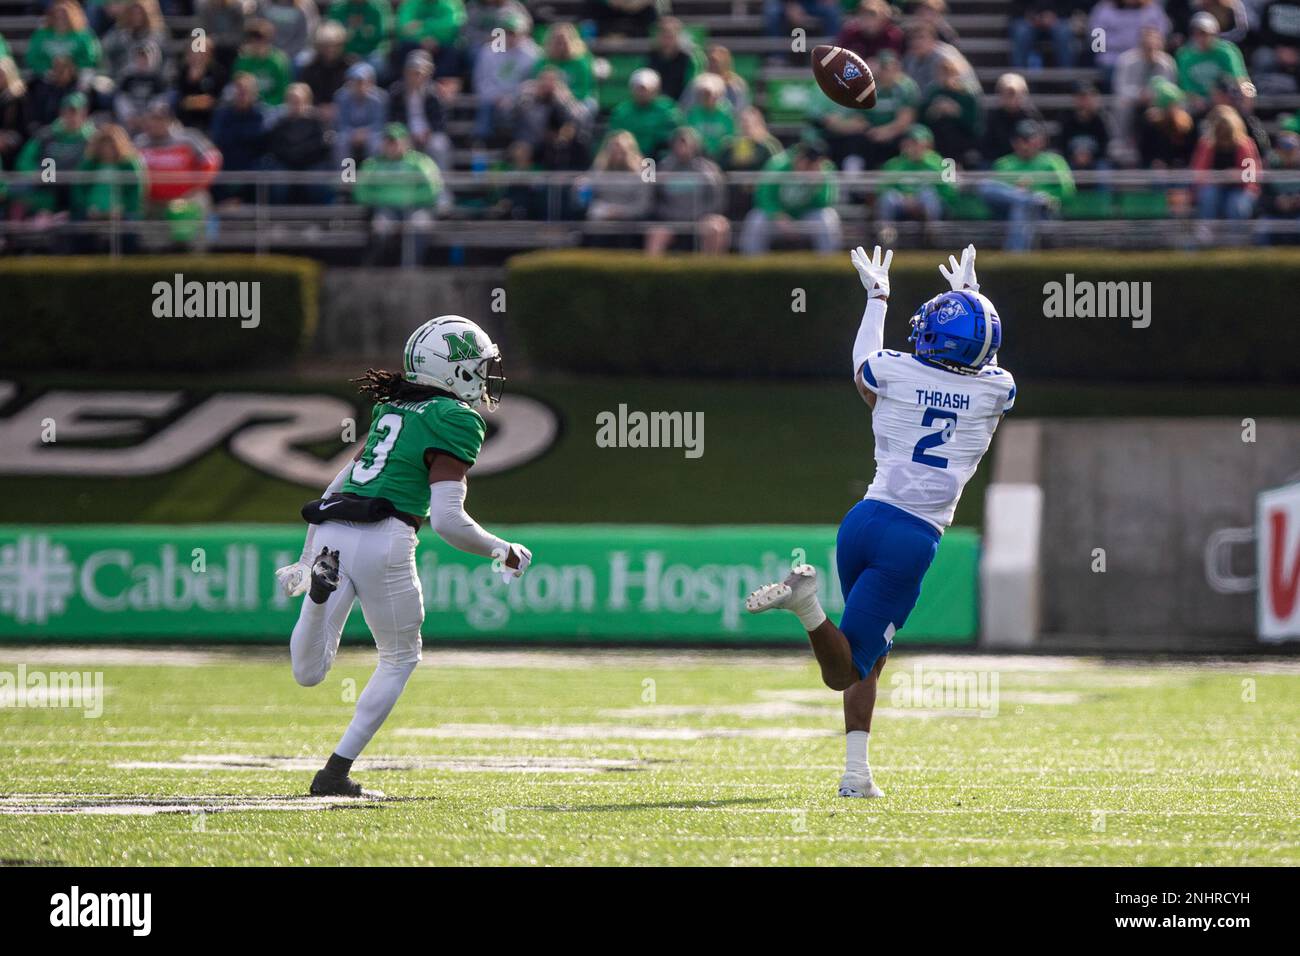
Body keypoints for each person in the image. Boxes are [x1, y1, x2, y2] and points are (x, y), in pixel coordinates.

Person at [746, 244, 1015, 800]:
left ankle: (856, 773)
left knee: (868, 656)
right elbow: (975, 369)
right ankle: (805, 606)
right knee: (842, 669)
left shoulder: (894, 372)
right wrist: (973, 296)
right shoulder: (996, 389)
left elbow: (864, 366)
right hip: (912, 538)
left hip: (864, 521)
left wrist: (878, 297)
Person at [276, 315, 528, 799]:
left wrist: (310, 556)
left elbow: (337, 484)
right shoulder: (455, 418)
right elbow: (449, 522)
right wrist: (503, 549)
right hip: (384, 535)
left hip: (333, 528)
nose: (487, 376)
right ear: (452, 369)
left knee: (308, 673)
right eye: (478, 366)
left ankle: (317, 595)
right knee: (399, 656)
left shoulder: (393, 408)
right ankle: (333, 775)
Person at [980, 119, 1075, 251]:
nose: (1025, 144)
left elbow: (1067, 192)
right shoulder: (1003, 163)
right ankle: (1028, 198)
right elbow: (992, 195)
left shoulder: (1053, 162)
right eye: (1020, 139)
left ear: (1041, 141)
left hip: (1043, 213)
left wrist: (1046, 197)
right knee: (986, 186)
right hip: (1007, 213)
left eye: (1029, 139)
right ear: (1013, 142)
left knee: (1021, 207)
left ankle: (1014, 261)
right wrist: (1022, 194)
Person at [354, 122, 442, 264]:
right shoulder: (372, 164)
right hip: (385, 210)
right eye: (388, 142)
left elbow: (433, 189)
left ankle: (411, 270)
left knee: (420, 225)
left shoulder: (420, 161)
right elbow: (361, 193)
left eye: (395, 141)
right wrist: (390, 199)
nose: (392, 145)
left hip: (415, 208)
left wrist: (409, 199)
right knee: (380, 227)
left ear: (405, 141)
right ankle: (379, 272)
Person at [740, 137, 842, 254]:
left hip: (806, 217)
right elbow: (763, 197)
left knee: (827, 218)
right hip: (778, 217)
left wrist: (817, 185)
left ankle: (829, 266)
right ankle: (751, 267)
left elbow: (826, 203)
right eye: (807, 160)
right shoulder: (778, 166)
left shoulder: (824, 169)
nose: (809, 165)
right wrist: (778, 215)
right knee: (756, 219)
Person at [645, 126, 730, 255]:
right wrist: (670, 214)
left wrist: (701, 214)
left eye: (686, 143)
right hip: (671, 220)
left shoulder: (709, 169)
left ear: (695, 145)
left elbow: (718, 199)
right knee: (656, 233)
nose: (682, 147)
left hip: (701, 218)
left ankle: (712, 271)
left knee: (717, 227)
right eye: (679, 143)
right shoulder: (663, 167)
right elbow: (654, 198)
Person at [1191, 103, 1262, 238]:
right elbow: (1198, 173)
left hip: (1240, 188)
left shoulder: (1245, 144)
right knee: (1209, 196)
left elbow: (1252, 177)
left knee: (1236, 205)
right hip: (1214, 187)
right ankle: (1206, 238)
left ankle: (1235, 241)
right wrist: (1215, 177)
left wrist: (1237, 175)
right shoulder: (1206, 144)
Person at [469, 10, 538, 142]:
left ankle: (521, 142)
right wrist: (497, 97)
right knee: (485, 106)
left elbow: (532, 83)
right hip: (493, 98)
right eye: (507, 32)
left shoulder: (533, 54)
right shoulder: (488, 51)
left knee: (527, 106)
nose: (511, 37)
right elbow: (481, 82)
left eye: (515, 33)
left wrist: (513, 97)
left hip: (520, 98)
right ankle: (482, 142)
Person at [876, 124, 952, 239]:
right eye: (910, 143)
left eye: (917, 143)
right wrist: (907, 198)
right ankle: (887, 237)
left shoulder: (940, 162)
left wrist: (926, 162)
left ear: (928, 144)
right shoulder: (894, 164)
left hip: (928, 202)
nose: (913, 147)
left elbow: (950, 191)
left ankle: (932, 235)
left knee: (929, 194)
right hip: (901, 201)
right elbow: (881, 188)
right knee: (888, 198)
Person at [576, 129, 650, 244]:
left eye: (621, 150)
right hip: (601, 218)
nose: (617, 154)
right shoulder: (598, 169)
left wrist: (620, 212)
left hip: (630, 219)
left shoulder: (643, 172)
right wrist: (580, 186)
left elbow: (644, 205)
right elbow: (586, 194)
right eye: (613, 150)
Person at [266, 82, 334, 203]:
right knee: (278, 178)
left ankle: (318, 216)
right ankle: (278, 217)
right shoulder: (280, 123)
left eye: (298, 101)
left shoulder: (317, 122)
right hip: (285, 163)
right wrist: (292, 154)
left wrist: (301, 152)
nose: (295, 105)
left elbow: (321, 146)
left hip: (312, 163)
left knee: (318, 179)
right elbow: (276, 147)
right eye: (291, 101)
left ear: (307, 102)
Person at [388, 49, 452, 173]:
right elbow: (393, 119)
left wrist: (428, 132)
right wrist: (404, 134)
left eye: (420, 73)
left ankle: (440, 186)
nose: (416, 77)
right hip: (404, 133)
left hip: (430, 134)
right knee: (395, 145)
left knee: (439, 145)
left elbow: (441, 120)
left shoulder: (435, 93)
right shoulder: (396, 92)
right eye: (413, 72)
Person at [209, 71, 270, 203]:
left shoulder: (261, 115)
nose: (242, 94)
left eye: (246, 91)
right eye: (239, 90)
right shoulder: (222, 114)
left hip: (252, 165)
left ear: (254, 93)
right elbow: (220, 140)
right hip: (227, 162)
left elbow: (263, 144)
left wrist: (239, 136)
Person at [1176, 11, 1251, 111]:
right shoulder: (1184, 56)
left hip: (1224, 98)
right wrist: (1196, 99)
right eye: (1196, 33)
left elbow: (1238, 79)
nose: (1201, 37)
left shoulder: (1226, 52)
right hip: (1197, 101)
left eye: (1205, 33)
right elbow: (1185, 86)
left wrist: (1245, 97)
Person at [606, 68, 682, 159]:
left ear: (655, 90)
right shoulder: (622, 111)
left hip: (659, 158)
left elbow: (675, 135)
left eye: (645, 89)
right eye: (638, 89)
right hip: (628, 157)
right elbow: (615, 136)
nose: (642, 93)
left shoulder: (667, 108)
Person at [334, 60, 388, 165]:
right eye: (356, 81)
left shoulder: (381, 97)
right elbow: (340, 123)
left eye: (363, 81)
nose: (360, 85)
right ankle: (347, 178)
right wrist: (353, 133)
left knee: (375, 142)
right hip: (349, 133)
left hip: (372, 133)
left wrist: (365, 133)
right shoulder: (340, 97)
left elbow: (380, 123)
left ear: (371, 81)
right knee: (341, 142)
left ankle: (370, 177)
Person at [25, 0, 101, 75]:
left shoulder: (83, 36)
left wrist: (72, 65)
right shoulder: (41, 35)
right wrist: (50, 66)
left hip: (78, 76)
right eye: (57, 16)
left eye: (65, 16)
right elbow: (32, 58)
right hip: (46, 76)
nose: (60, 19)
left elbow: (91, 58)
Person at [299, 21, 356, 118]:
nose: (331, 49)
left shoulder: (350, 66)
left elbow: (354, 93)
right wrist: (319, 108)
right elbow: (306, 93)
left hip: (345, 112)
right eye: (326, 45)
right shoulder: (310, 68)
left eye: (335, 45)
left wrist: (336, 107)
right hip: (315, 112)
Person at [232, 18, 293, 106]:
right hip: (247, 106)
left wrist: (266, 103)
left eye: (260, 40)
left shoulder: (278, 62)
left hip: (272, 107)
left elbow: (282, 92)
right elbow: (236, 87)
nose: (256, 44)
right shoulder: (243, 61)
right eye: (253, 41)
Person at [175, 43, 229, 130]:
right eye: (193, 52)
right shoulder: (183, 71)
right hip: (185, 119)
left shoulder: (217, 72)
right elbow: (181, 100)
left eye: (200, 52)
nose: (196, 56)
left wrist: (192, 101)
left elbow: (213, 100)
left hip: (210, 120)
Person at [1009, 1, 1078, 70]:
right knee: (1021, 32)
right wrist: (1032, 15)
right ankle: (1018, 77)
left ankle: (1067, 77)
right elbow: (1017, 6)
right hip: (1028, 19)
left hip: (1056, 18)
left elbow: (1067, 6)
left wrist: (1053, 15)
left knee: (1063, 32)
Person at [645, 16, 700, 101]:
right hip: (657, 104)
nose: (667, 38)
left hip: (683, 103)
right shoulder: (650, 56)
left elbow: (691, 87)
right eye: (663, 33)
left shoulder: (688, 59)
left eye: (670, 35)